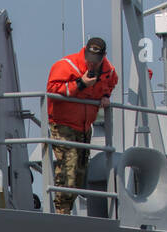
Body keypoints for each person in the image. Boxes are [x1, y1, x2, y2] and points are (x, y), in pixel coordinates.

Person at [46, 37, 117, 214]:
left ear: (103, 57)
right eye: (89, 60)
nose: (91, 65)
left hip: (85, 127)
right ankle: (62, 212)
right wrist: (80, 83)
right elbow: (52, 90)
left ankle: (67, 210)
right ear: (84, 52)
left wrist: (106, 95)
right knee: (68, 171)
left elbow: (111, 82)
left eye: (95, 61)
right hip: (63, 124)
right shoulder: (67, 65)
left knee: (80, 173)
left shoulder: (108, 70)